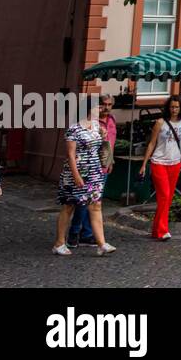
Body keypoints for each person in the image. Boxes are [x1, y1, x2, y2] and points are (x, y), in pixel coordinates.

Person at [52, 104, 114, 256]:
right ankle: (59, 243)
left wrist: (108, 158)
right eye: (96, 108)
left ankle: (101, 244)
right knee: (69, 206)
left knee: (96, 205)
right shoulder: (74, 129)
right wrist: (76, 175)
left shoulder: (96, 126)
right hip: (77, 173)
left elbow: (102, 146)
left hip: (94, 172)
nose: (100, 110)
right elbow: (71, 155)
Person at [138, 94, 181, 240]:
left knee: (167, 198)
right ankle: (162, 230)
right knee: (164, 195)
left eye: (177, 107)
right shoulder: (160, 122)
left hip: (175, 162)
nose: (174, 109)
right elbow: (152, 144)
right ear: (168, 107)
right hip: (159, 162)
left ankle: (156, 230)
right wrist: (143, 164)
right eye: (172, 107)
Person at [69, 93, 117, 247]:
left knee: (96, 203)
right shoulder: (89, 124)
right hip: (88, 168)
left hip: (102, 168)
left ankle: (87, 233)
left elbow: (109, 145)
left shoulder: (111, 121)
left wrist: (109, 161)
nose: (106, 108)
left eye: (110, 105)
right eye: (103, 105)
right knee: (83, 202)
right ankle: (74, 232)